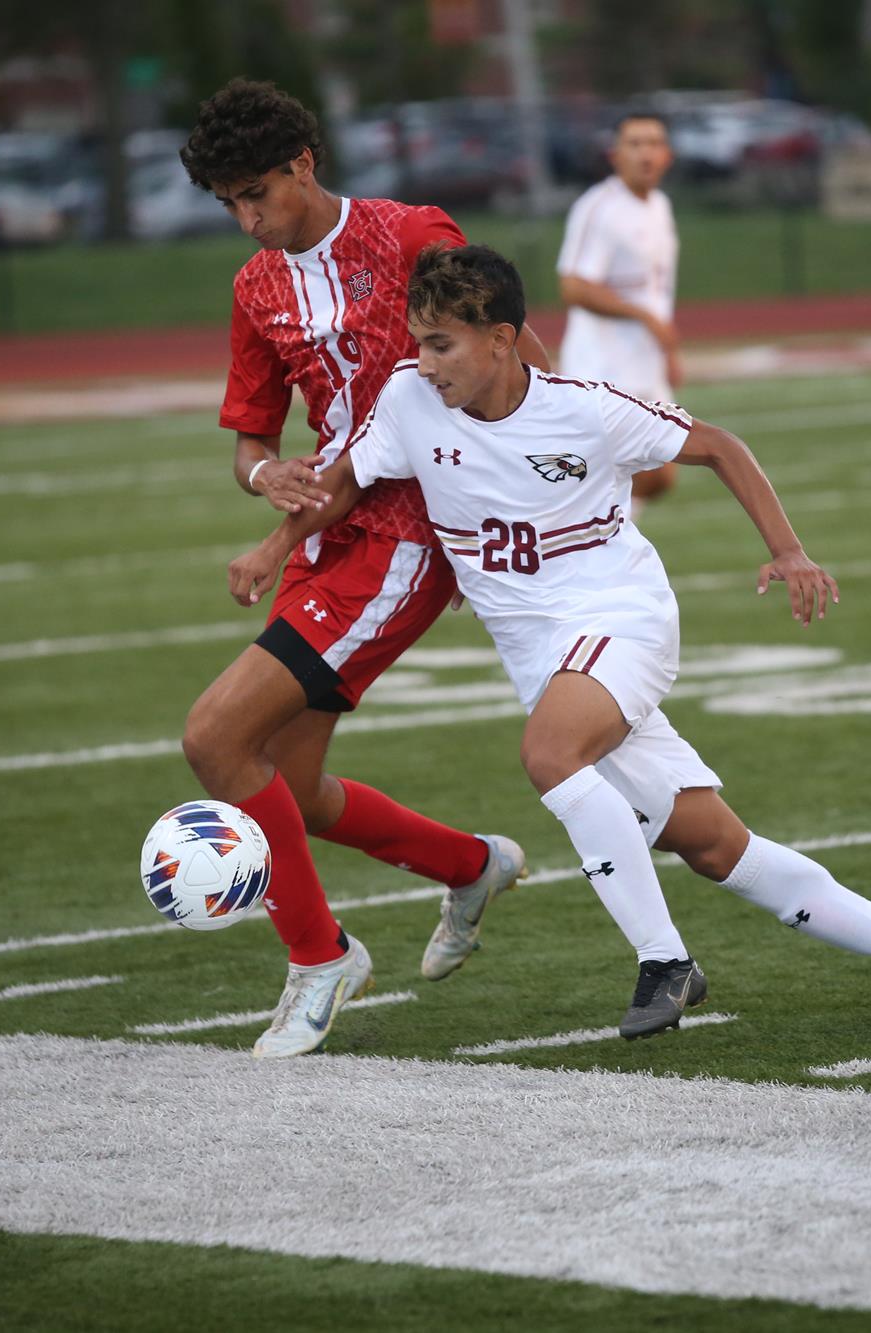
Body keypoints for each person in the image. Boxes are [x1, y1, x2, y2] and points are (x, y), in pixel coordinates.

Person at [232, 244, 871, 1040]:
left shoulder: (584, 409)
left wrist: (788, 550)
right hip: (544, 658)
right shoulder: (409, 398)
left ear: (503, 339)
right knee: (715, 846)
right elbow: (348, 482)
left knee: (549, 754)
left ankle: (666, 962)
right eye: (418, 340)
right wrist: (273, 548)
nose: (422, 360)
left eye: (442, 344)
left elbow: (718, 445)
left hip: (623, 621)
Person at [177, 80, 552, 1058]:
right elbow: (248, 441)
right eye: (228, 203)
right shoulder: (254, 289)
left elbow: (509, 346)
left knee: (215, 737)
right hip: (327, 533)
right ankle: (468, 864)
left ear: (304, 163)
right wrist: (268, 478)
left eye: (257, 192)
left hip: (410, 535)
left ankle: (319, 955)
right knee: (285, 790)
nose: (246, 218)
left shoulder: (406, 232)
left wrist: (559, 447)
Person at [556, 113, 681, 514]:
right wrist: (642, 317)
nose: (645, 152)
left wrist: (666, 352)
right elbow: (573, 286)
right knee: (616, 474)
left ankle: (603, 541)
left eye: (653, 143)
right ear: (615, 155)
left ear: (668, 155)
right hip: (601, 366)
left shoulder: (660, 206)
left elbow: (655, 291)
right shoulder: (600, 207)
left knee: (657, 475)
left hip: (642, 366)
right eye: (635, 143)